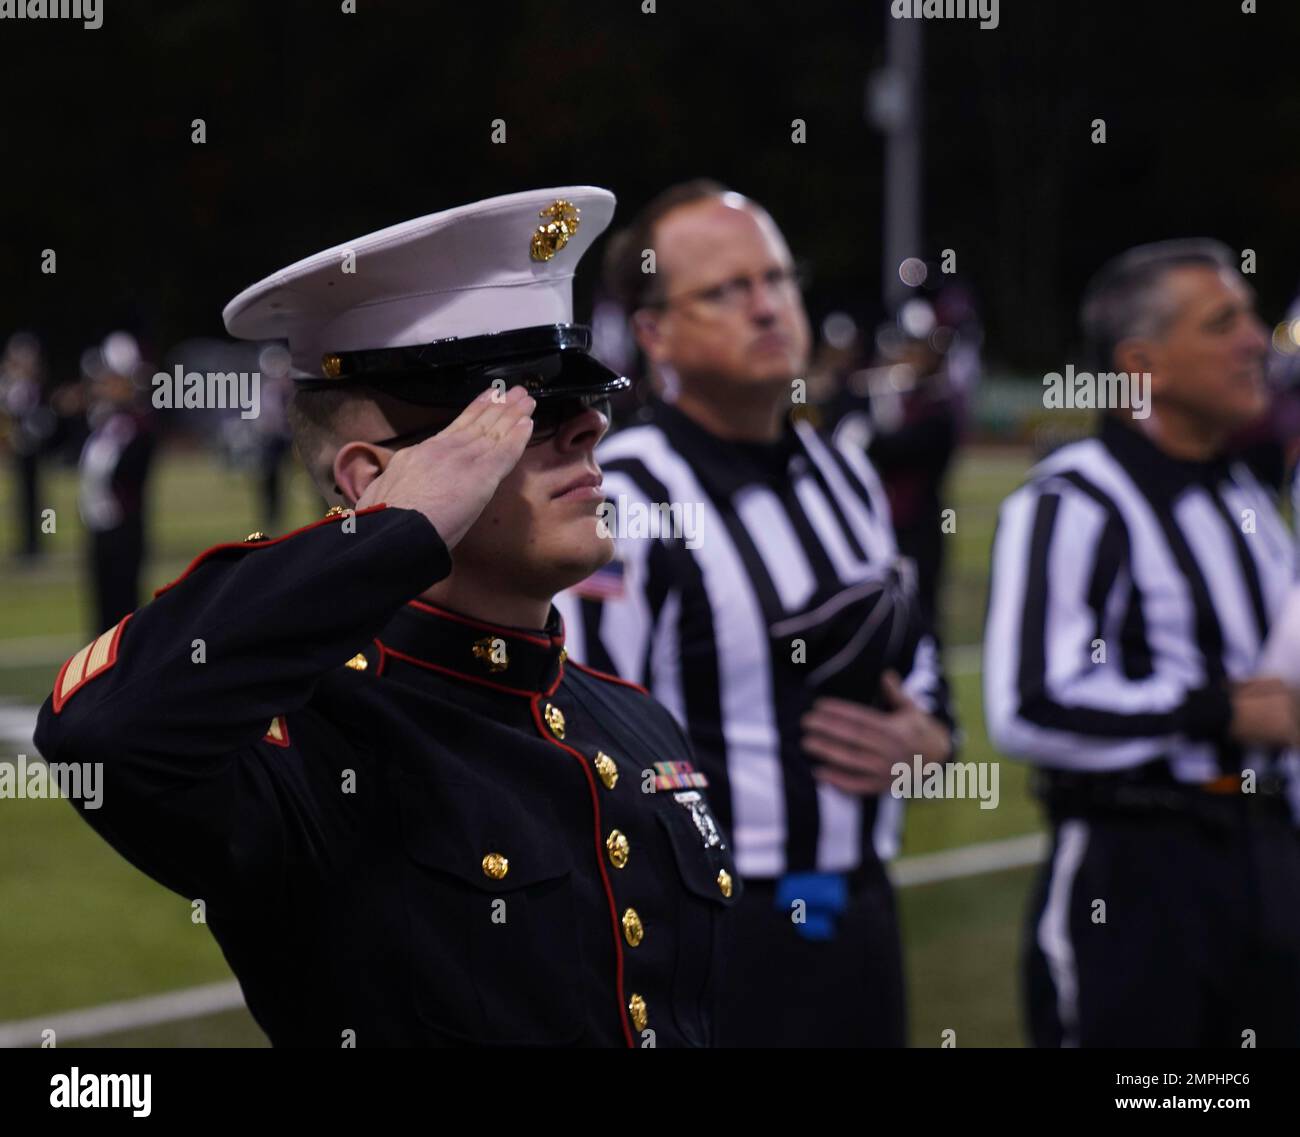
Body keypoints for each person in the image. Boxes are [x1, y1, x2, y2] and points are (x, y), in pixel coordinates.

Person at [34, 186, 741, 1048]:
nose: (589, 427)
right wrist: (382, 538)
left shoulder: (634, 723)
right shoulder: (311, 745)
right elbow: (100, 735)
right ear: (376, 481)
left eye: (582, 401)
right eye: (523, 411)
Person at [558, 181, 955, 1047]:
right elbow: (583, 740)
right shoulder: (626, 493)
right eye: (726, 290)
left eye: (776, 278)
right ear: (655, 330)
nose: (767, 305)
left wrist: (933, 741)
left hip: (860, 907)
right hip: (713, 929)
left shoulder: (843, 472)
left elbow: (914, 656)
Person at [984, 238, 1300, 1047]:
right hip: (1136, 871)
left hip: (1264, 852)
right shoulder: (1076, 500)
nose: (1255, 339)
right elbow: (1030, 706)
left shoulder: (1244, 494)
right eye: (1223, 322)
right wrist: (1214, 711)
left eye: (1251, 316)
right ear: (1142, 362)